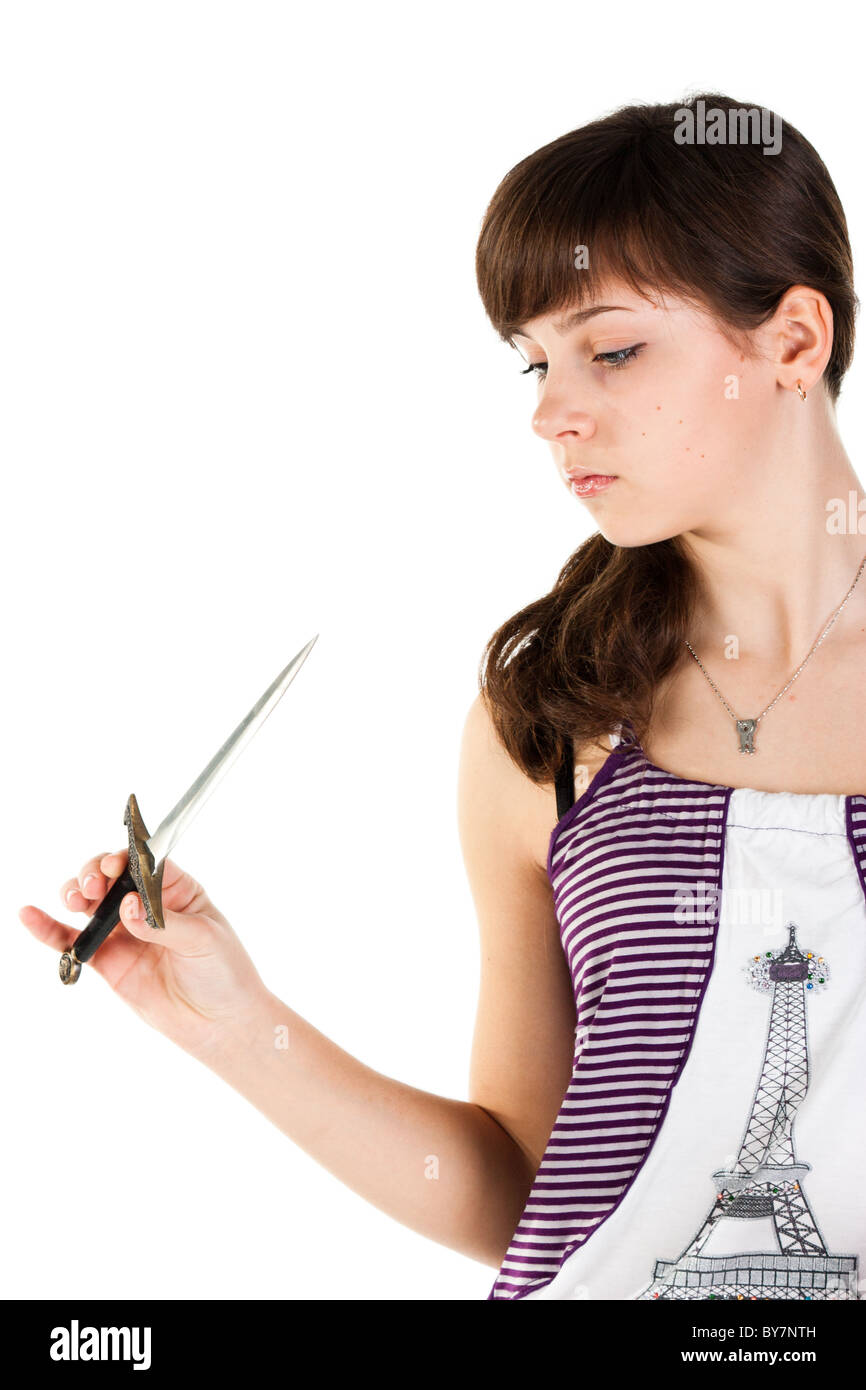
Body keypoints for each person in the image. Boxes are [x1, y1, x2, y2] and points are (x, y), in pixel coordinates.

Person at [20, 91, 866, 1301]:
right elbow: (530, 1186)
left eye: (610, 348)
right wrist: (232, 1021)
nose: (546, 412)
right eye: (531, 361)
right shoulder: (551, 730)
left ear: (790, 341)